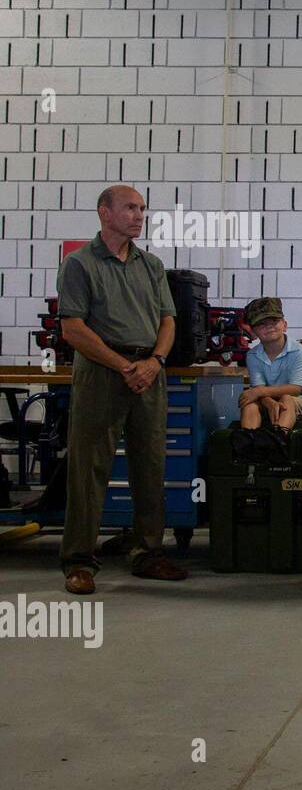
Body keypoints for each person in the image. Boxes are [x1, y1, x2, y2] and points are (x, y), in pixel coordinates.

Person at [56, 185, 186, 595]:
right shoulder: (79, 264)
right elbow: (73, 328)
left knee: (150, 465)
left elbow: (168, 320)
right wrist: (122, 365)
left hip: (149, 371)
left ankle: (148, 552)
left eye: (142, 208)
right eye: (130, 207)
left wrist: (154, 362)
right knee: (88, 467)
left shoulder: (152, 265)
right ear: (105, 213)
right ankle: (78, 560)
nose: (139, 215)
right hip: (101, 373)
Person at [239, 296, 302, 436]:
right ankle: (248, 442)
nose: (269, 326)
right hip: (266, 400)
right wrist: (269, 403)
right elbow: (258, 388)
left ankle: (278, 440)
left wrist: (260, 393)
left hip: (299, 401)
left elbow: (295, 389)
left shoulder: (298, 351)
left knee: (286, 399)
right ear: (253, 332)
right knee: (249, 404)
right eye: (261, 323)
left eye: (274, 321)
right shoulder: (253, 355)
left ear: (285, 324)